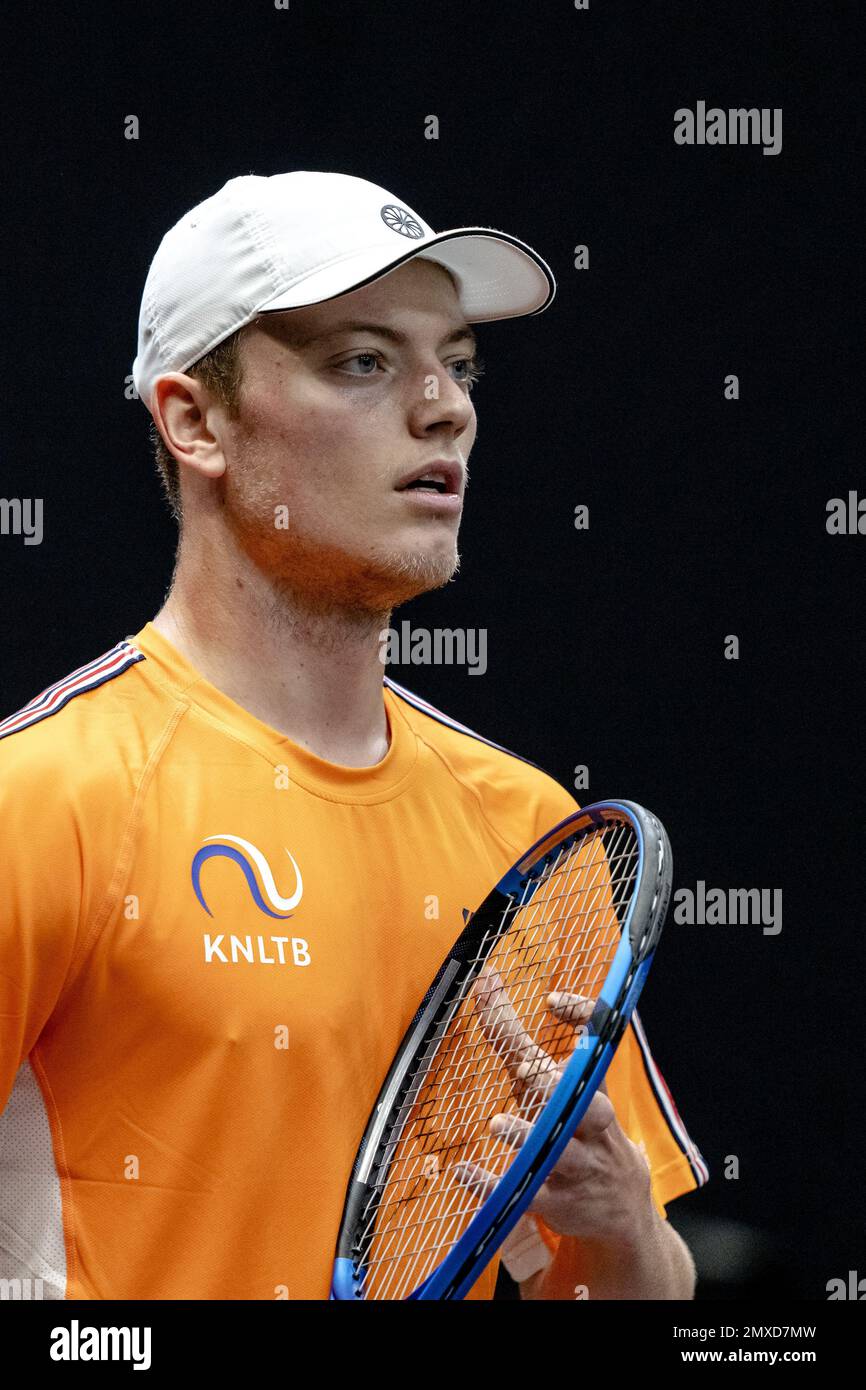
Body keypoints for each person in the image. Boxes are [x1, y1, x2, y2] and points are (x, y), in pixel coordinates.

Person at [0, 171, 708, 1300]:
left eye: (458, 364)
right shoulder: (42, 802)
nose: (446, 407)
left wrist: (621, 1229)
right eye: (362, 361)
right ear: (195, 420)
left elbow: (620, 1293)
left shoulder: (523, 830)